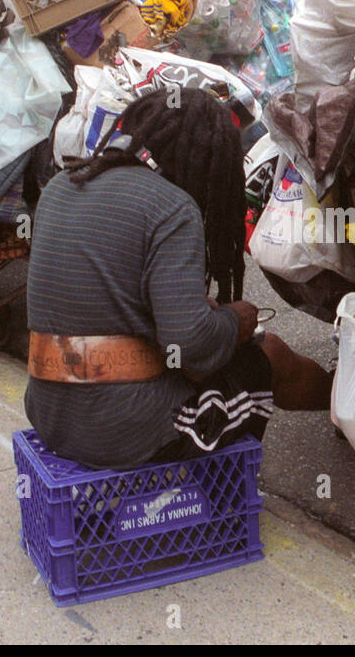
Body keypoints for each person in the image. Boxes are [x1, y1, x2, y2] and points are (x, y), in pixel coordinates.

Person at [24, 88, 333, 470]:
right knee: (269, 356)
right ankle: (349, 406)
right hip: (120, 431)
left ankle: (346, 402)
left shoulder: (62, 185)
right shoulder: (171, 208)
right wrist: (235, 319)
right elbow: (193, 347)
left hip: (50, 415)